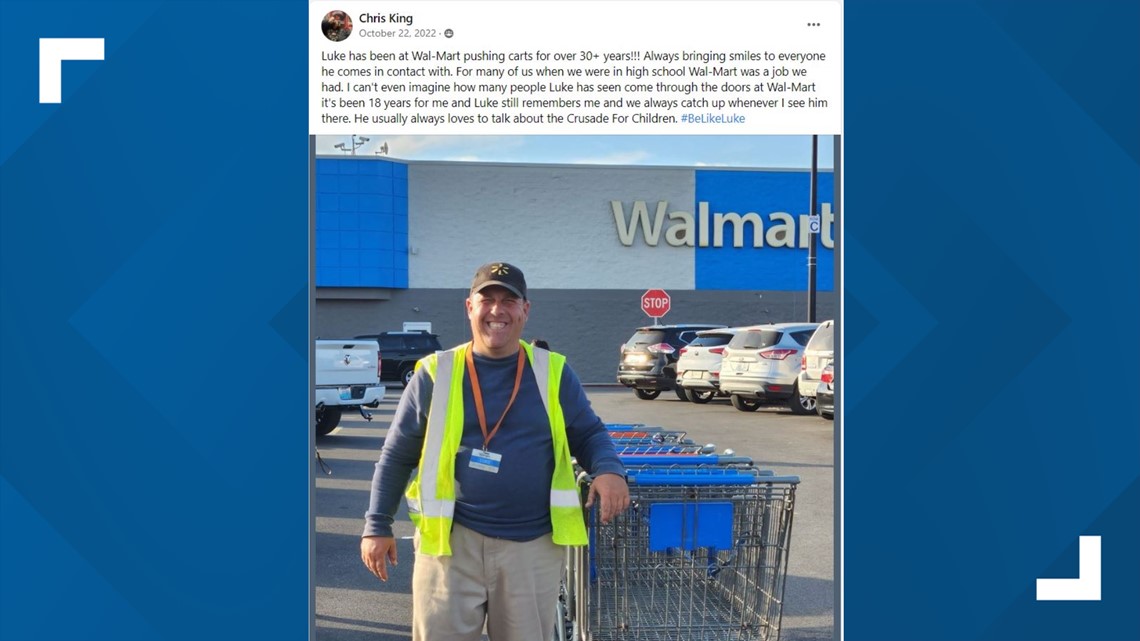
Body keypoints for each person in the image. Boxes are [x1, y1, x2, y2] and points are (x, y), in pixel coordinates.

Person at [361, 261, 629, 641]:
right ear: (469, 306)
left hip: (531, 549)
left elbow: (588, 432)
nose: (497, 310)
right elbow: (398, 453)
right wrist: (377, 525)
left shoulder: (552, 372)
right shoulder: (436, 372)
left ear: (525, 310)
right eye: (487, 299)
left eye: (509, 300)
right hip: (451, 548)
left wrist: (609, 469)